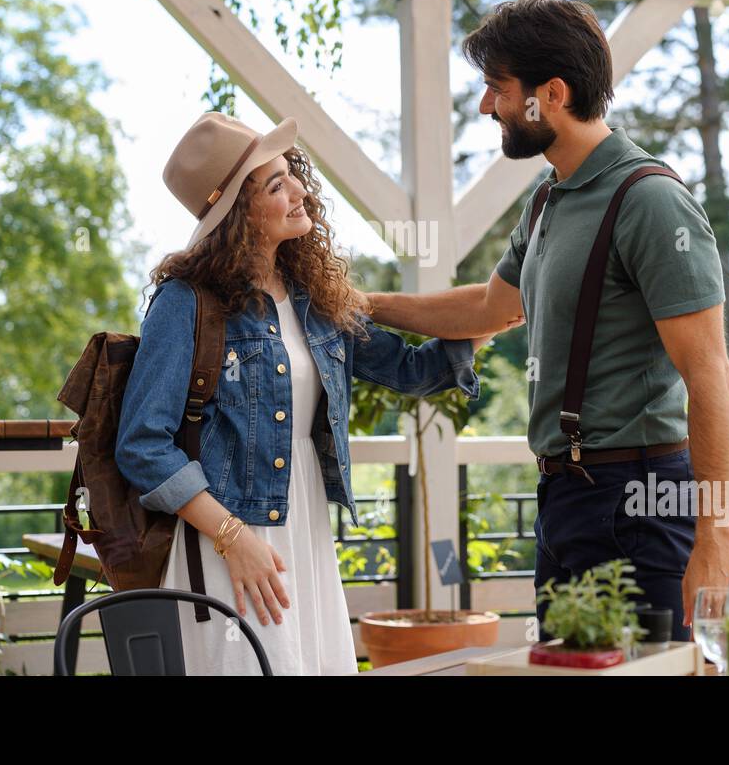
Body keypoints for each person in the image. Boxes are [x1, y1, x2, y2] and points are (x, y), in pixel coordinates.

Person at [364, 0, 729, 641]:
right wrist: (360, 304)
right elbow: (491, 308)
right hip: (566, 499)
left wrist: (715, 540)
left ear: (552, 94)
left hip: (642, 503)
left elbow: (709, 378)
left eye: (497, 88)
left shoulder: (650, 201)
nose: (487, 106)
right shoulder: (547, 198)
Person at [115, 111, 498, 675]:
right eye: (275, 184)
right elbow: (142, 444)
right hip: (226, 539)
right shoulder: (187, 302)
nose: (298, 188)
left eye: (290, 172)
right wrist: (233, 537)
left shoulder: (312, 299)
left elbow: (418, 371)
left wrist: (509, 301)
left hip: (306, 529)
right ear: (237, 213)